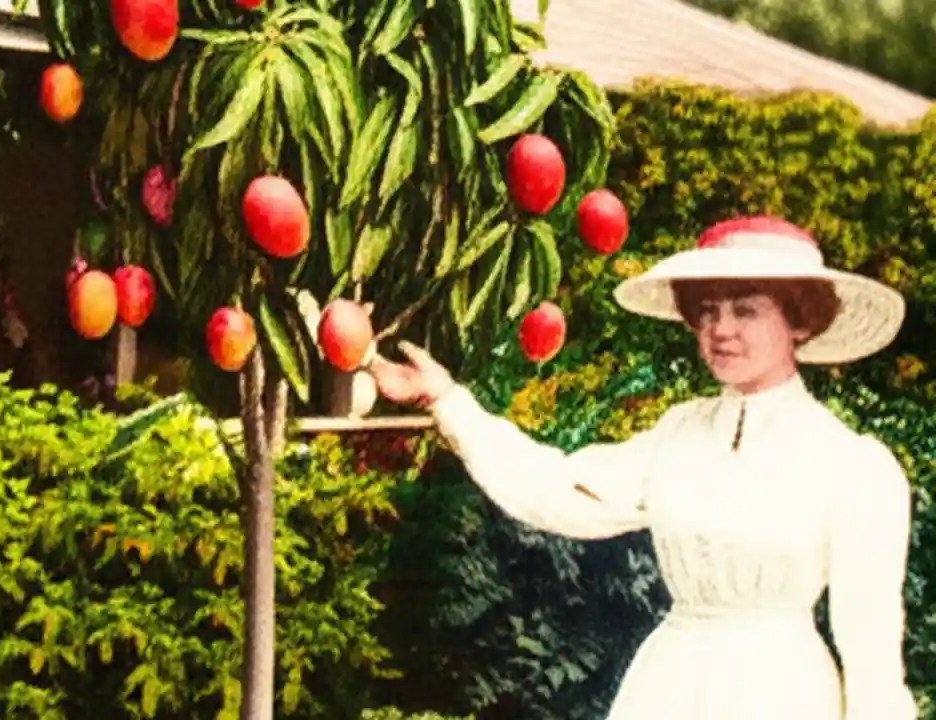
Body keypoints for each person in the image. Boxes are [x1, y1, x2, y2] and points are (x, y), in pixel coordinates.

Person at [367, 216, 917, 720]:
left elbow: (871, 659)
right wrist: (444, 401)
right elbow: (558, 491)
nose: (721, 330)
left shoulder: (850, 466)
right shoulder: (679, 434)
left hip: (780, 692)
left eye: (746, 309)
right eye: (707, 311)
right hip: (669, 686)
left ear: (799, 321)